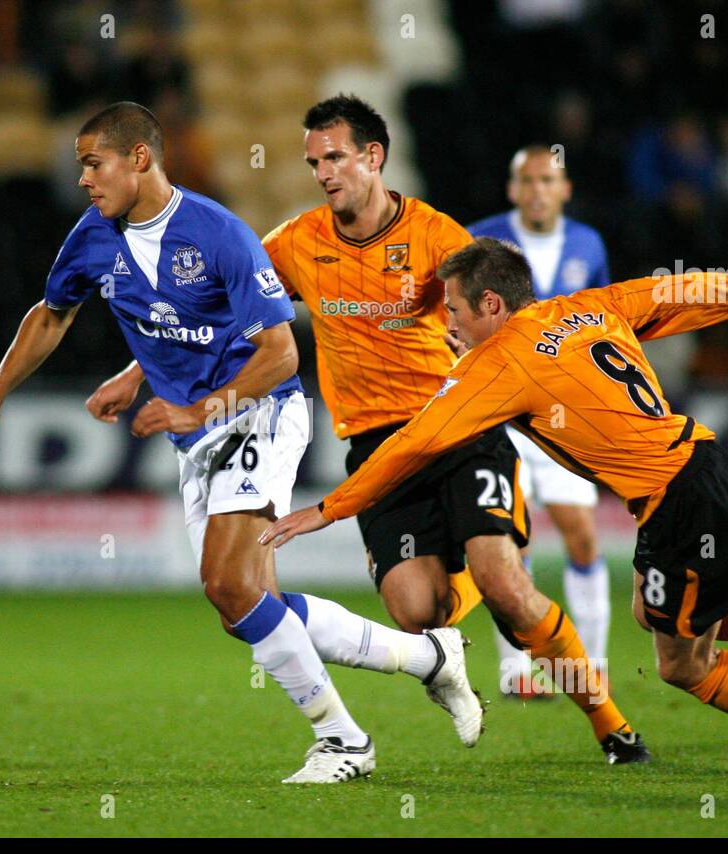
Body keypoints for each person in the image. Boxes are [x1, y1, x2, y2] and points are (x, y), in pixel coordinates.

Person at [0, 102, 483, 785]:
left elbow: (281, 355)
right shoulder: (92, 237)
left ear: (138, 159)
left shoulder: (218, 235)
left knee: (227, 583)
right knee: (244, 606)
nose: (83, 179)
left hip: (258, 412)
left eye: (93, 164)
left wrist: (197, 407)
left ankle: (344, 741)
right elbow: (52, 314)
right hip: (198, 434)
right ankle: (429, 660)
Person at [262, 239, 728, 779]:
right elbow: (680, 290)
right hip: (701, 467)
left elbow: (416, 441)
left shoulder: (497, 363)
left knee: (683, 665)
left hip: (680, 499)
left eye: (452, 308)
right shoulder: (585, 307)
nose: (444, 320)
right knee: (670, 610)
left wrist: (330, 508)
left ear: (492, 306)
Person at [260, 95, 647, 764]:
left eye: (335, 157)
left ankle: (612, 725)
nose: (322, 172)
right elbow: (233, 297)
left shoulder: (439, 238)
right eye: (313, 161)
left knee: (505, 586)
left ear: (373, 157)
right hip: (378, 447)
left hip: (458, 423)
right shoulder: (297, 244)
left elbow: (508, 322)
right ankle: (449, 645)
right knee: (417, 610)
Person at [468, 145, 612, 697]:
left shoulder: (587, 244)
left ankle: (591, 665)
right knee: (509, 542)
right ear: (512, 189)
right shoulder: (481, 239)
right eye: (526, 180)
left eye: (547, 180)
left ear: (565, 189)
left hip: (565, 414)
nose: (536, 190)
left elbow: (598, 318)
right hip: (502, 413)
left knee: (581, 537)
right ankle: (516, 670)